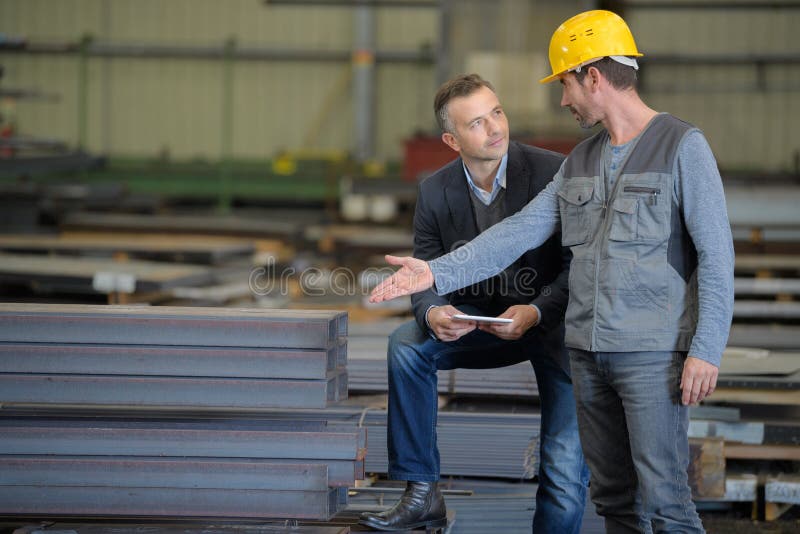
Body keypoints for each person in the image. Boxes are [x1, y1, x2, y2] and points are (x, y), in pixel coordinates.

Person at [369, 10, 734, 534]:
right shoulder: (580, 161)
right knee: (614, 501)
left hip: (649, 355)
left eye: (565, 83)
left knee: (666, 501)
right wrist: (434, 274)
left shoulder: (682, 147)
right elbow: (516, 232)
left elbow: (717, 256)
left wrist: (706, 348)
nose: (564, 99)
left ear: (593, 76)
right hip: (586, 353)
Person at [359, 74, 589, 533]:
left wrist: (537, 311)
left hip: (549, 325)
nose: (496, 128)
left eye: (497, 113)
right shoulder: (434, 190)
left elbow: (577, 265)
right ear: (451, 139)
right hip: (473, 326)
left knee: (563, 465)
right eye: (478, 123)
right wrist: (432, 312)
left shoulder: (553, 173)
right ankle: (422, 491)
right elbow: (424, 271)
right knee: (407, 344)